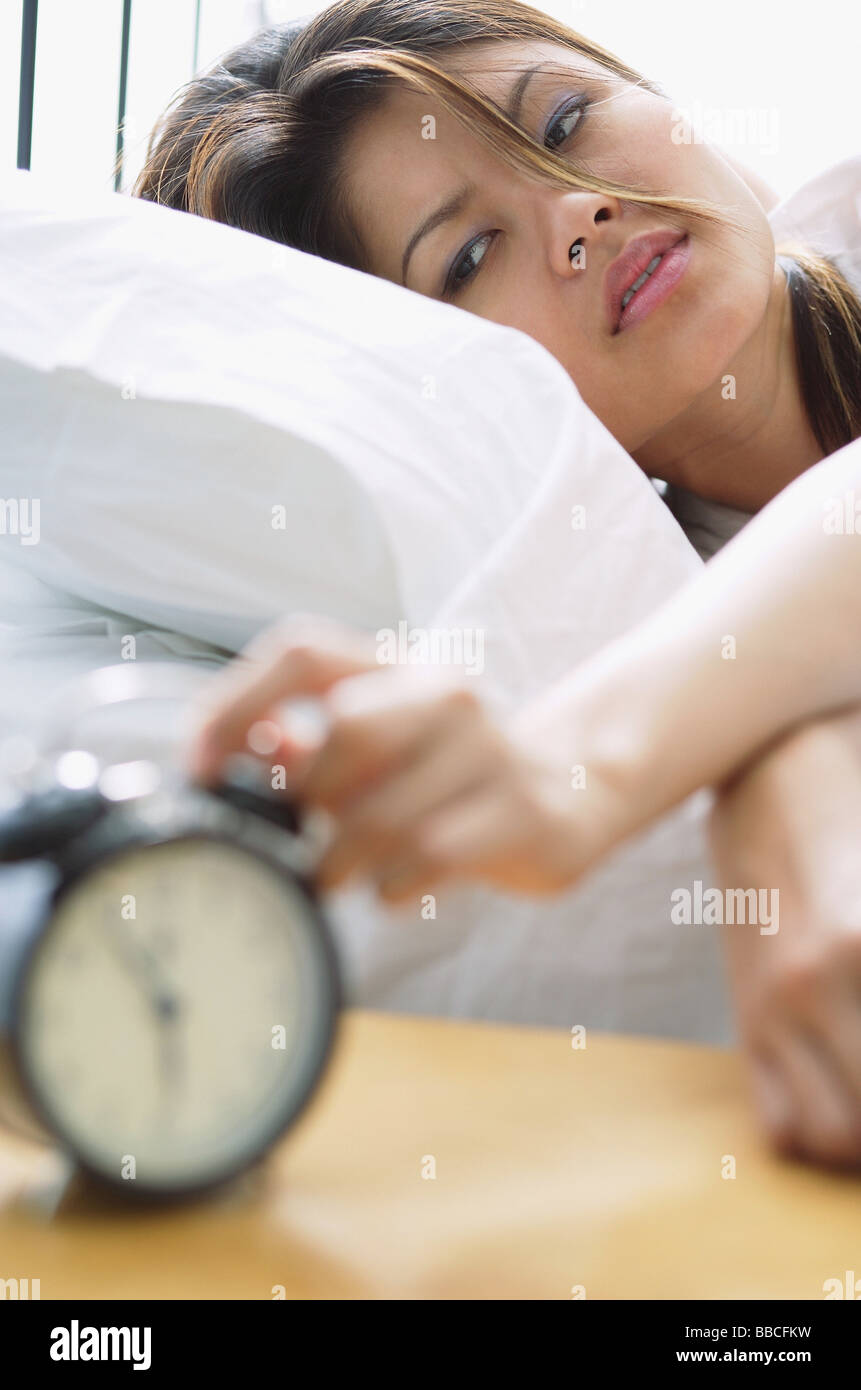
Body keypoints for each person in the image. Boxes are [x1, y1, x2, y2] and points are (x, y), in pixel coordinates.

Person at [135, 1, 861, 1166]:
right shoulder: (641, 585)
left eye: (566, 120)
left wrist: (587, 767)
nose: (575, 215)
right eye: (468, 255)